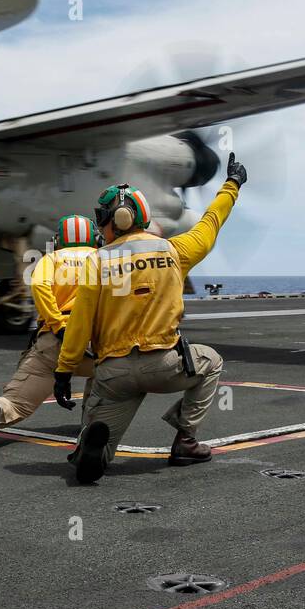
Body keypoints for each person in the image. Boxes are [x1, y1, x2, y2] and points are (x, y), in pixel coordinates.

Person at [53, 153, 247, 483]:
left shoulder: (97, 262)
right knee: (211, 361)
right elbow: (209, 223)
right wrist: (232, 185)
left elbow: (80, 323)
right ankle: (185, 441)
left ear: (117, 219)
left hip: (114, 375)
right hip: (164, 366)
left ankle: (94, 448)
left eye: (102, 218)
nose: (100, 225)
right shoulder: (174, 250)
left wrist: (63, 371)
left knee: (98, 447)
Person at [0, 216, 101, 454]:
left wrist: (58, 323)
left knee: (16, 402)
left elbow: (40, 287)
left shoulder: (49, 259)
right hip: (96, 344)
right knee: (105, 378)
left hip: (53, 343)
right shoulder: (105, 260)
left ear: (60, 239)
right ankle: (93, 423)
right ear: (93, 237)